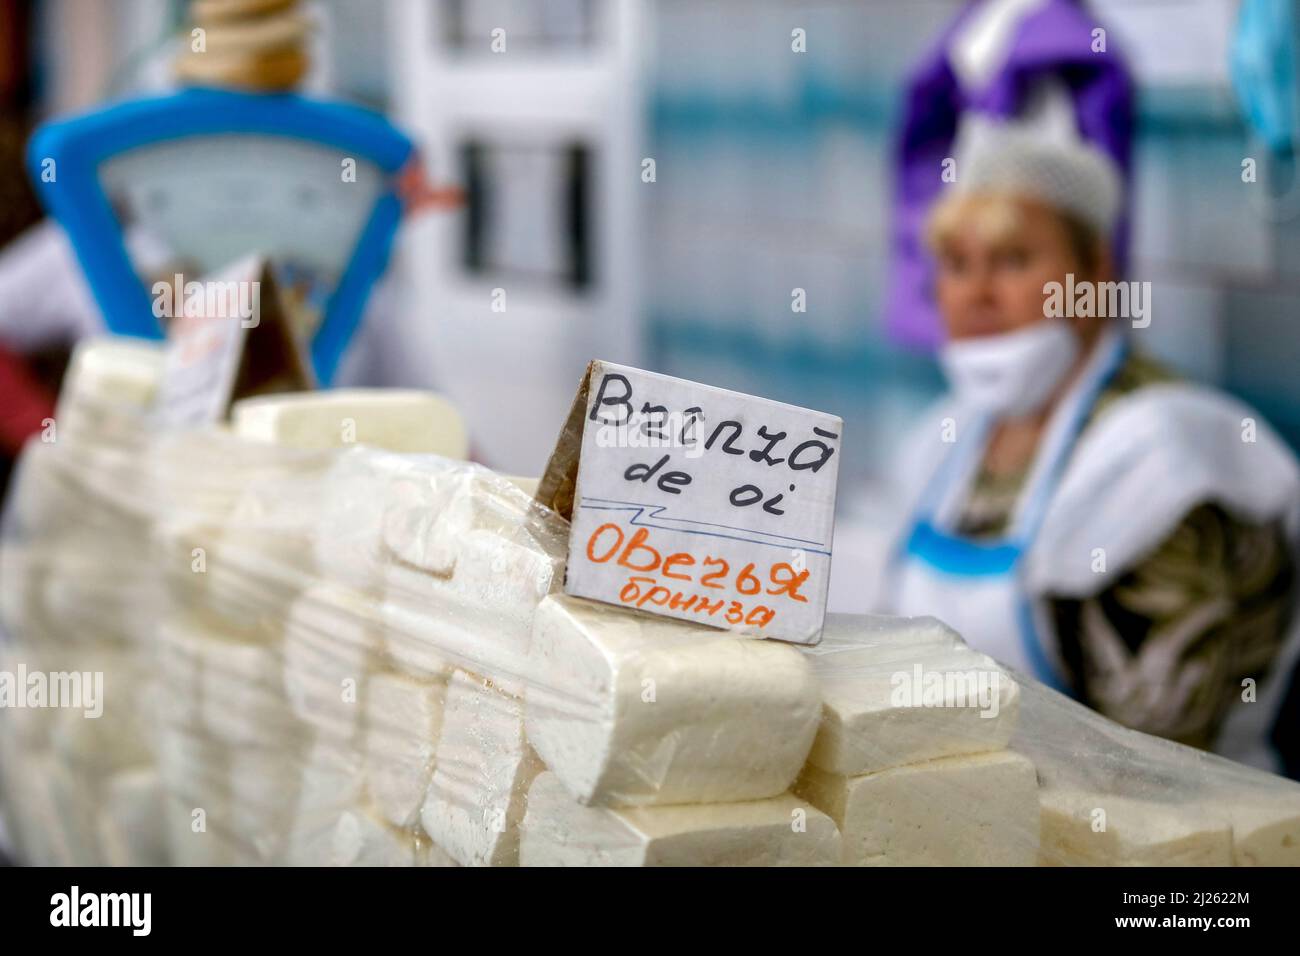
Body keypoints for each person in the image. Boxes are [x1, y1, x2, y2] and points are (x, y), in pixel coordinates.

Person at [882, 122, 1300, 777]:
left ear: (1095, 272)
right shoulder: (944, 441)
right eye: (957, 265)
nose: (977, 293)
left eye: (1015, 260)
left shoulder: (1164, 458)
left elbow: (1157, 763)